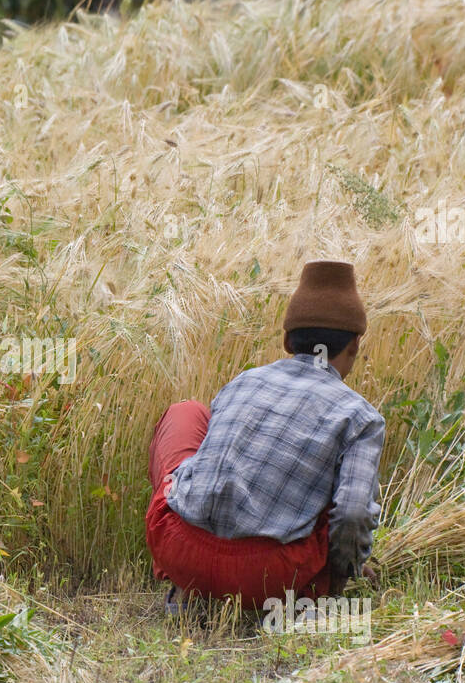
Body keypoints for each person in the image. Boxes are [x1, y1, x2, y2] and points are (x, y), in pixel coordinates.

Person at [145, 260, 384, 613]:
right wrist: (342, 575)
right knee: (333, 495)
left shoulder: (243, 381)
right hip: (265, 579)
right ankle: (297, 600)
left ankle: (190, 588)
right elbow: (350, 514)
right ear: (354, 347)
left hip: (178, 547)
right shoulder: (361, 417)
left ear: (288, 340)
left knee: (187, 413)